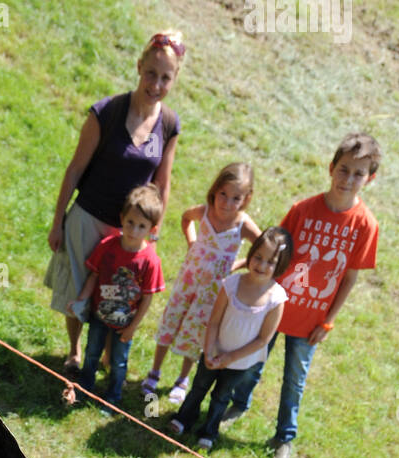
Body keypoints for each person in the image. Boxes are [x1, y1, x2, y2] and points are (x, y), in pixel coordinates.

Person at [221, 133, 381, 458]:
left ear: (371, 178)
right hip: (275, 309)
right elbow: (274, 252)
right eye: (343, 169)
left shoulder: (365, 225)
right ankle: (238, 405)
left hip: (312, 321)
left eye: (358, 174)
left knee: (295, 379)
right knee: (252, 359)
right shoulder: (303, 210)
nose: (348, 179)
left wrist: (328, 321)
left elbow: (350, 277)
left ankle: (283, 439)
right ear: (330, 168)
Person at [45, 31, 183, 372]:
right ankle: (76, 351)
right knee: (79, 291)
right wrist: (58, 220)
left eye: (166, 77)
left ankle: (104, 353)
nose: (156, 84)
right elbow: (75, 169)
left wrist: (154, 231)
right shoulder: (105, 112)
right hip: (89, 218)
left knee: (117, 295)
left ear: (174, 79)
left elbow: (163, 184)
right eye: (151, 73)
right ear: (139, 67)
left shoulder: (168, 124)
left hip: (131, 230)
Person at [140, 161, 261, 406]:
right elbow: (186, 218)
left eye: (235, 198)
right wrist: (192, 243)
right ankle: (154, 371)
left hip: (213, 291)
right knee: (172, 319)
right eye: (223, 194)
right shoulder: (205, 211)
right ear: (215, 190)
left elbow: (262, 250)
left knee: (197, 331)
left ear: (246, 199)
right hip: (188, 280)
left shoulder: (242, 225)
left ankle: (182, 380)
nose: (226, 203)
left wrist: (235, 265)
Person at [167, 228, 292, 450]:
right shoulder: (232, 284)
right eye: (258, 257)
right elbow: (214, 321)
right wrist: (210, 349)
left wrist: (231, 357)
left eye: (270, 262)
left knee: (221, 397)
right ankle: (184, 418)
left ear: (280, 265)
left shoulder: (277, 299)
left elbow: (263, 339)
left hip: (240, 362)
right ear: (250, 255)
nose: (261, 266)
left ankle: (209, 431)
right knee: (199, 387)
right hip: (213, 352)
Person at [61, 185, 165, 412]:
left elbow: (147, 298)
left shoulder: (150, 261)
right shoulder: (107, 247)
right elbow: (93, 277)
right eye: (130, 222)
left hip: (124, 325)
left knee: (118, 363)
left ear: (151, 228)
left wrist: (133, 327)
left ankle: (113, 397)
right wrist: (80, 301)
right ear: (122, 218)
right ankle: (85, 387)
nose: (134, 230)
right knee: (91, 354)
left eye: (141, 226)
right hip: (99, 316)